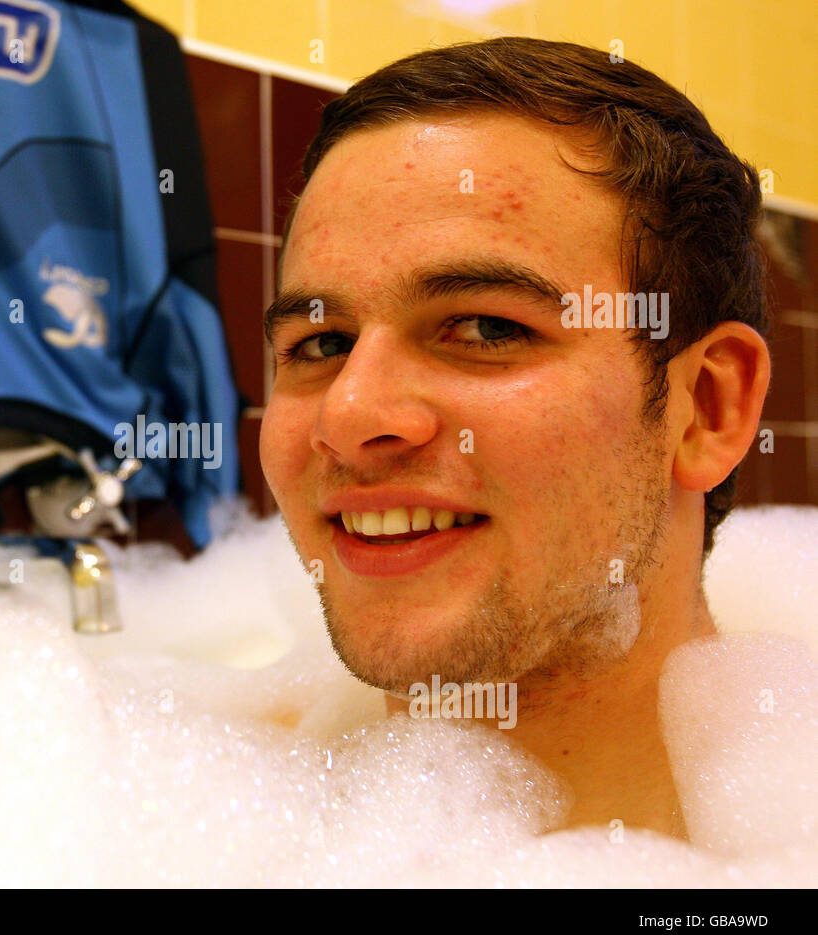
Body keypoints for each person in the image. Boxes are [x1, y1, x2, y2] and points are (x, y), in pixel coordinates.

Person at [260, 37, 772, 838]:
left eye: (487, 326)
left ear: (707, 405)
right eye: (321, 345)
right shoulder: (156, 809)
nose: (347, 417)